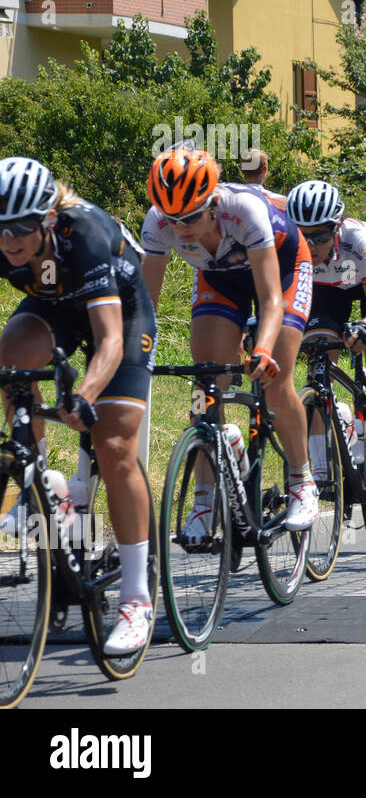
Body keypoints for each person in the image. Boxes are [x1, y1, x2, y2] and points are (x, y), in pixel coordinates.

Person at [0, 157, 158, 655]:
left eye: (21, 228)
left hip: (121, 314)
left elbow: (110, 339)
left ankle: (136, 599)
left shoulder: (84, 232)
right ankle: (45, 483)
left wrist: (84, 395)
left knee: (112, 446)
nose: (8, 241)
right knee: (9, 365)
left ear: (47, 218)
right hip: (56, 304)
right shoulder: (10, 243)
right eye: (0, 229)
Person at [140, 147, 317, 530]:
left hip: (283, 269)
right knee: (205, 386)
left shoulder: (243, 210)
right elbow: (146, 308)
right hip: (219, 277)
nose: (181, 227)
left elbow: (270, 299)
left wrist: (264, 350)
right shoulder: (157, 223)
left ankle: (302, 482)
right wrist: (135, 354)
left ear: (212, 202)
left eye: (190, 216)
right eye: (172, 219)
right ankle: (204, 499)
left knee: (275, 379)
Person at [286, 180, 366, 496]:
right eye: (303, 235)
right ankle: (320, 468)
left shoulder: (356, 239)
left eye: (320, 235)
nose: (311, 243)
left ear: (337, 227)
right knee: (317, 367)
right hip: (328, 291)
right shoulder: (289, 246)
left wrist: (364, 328)